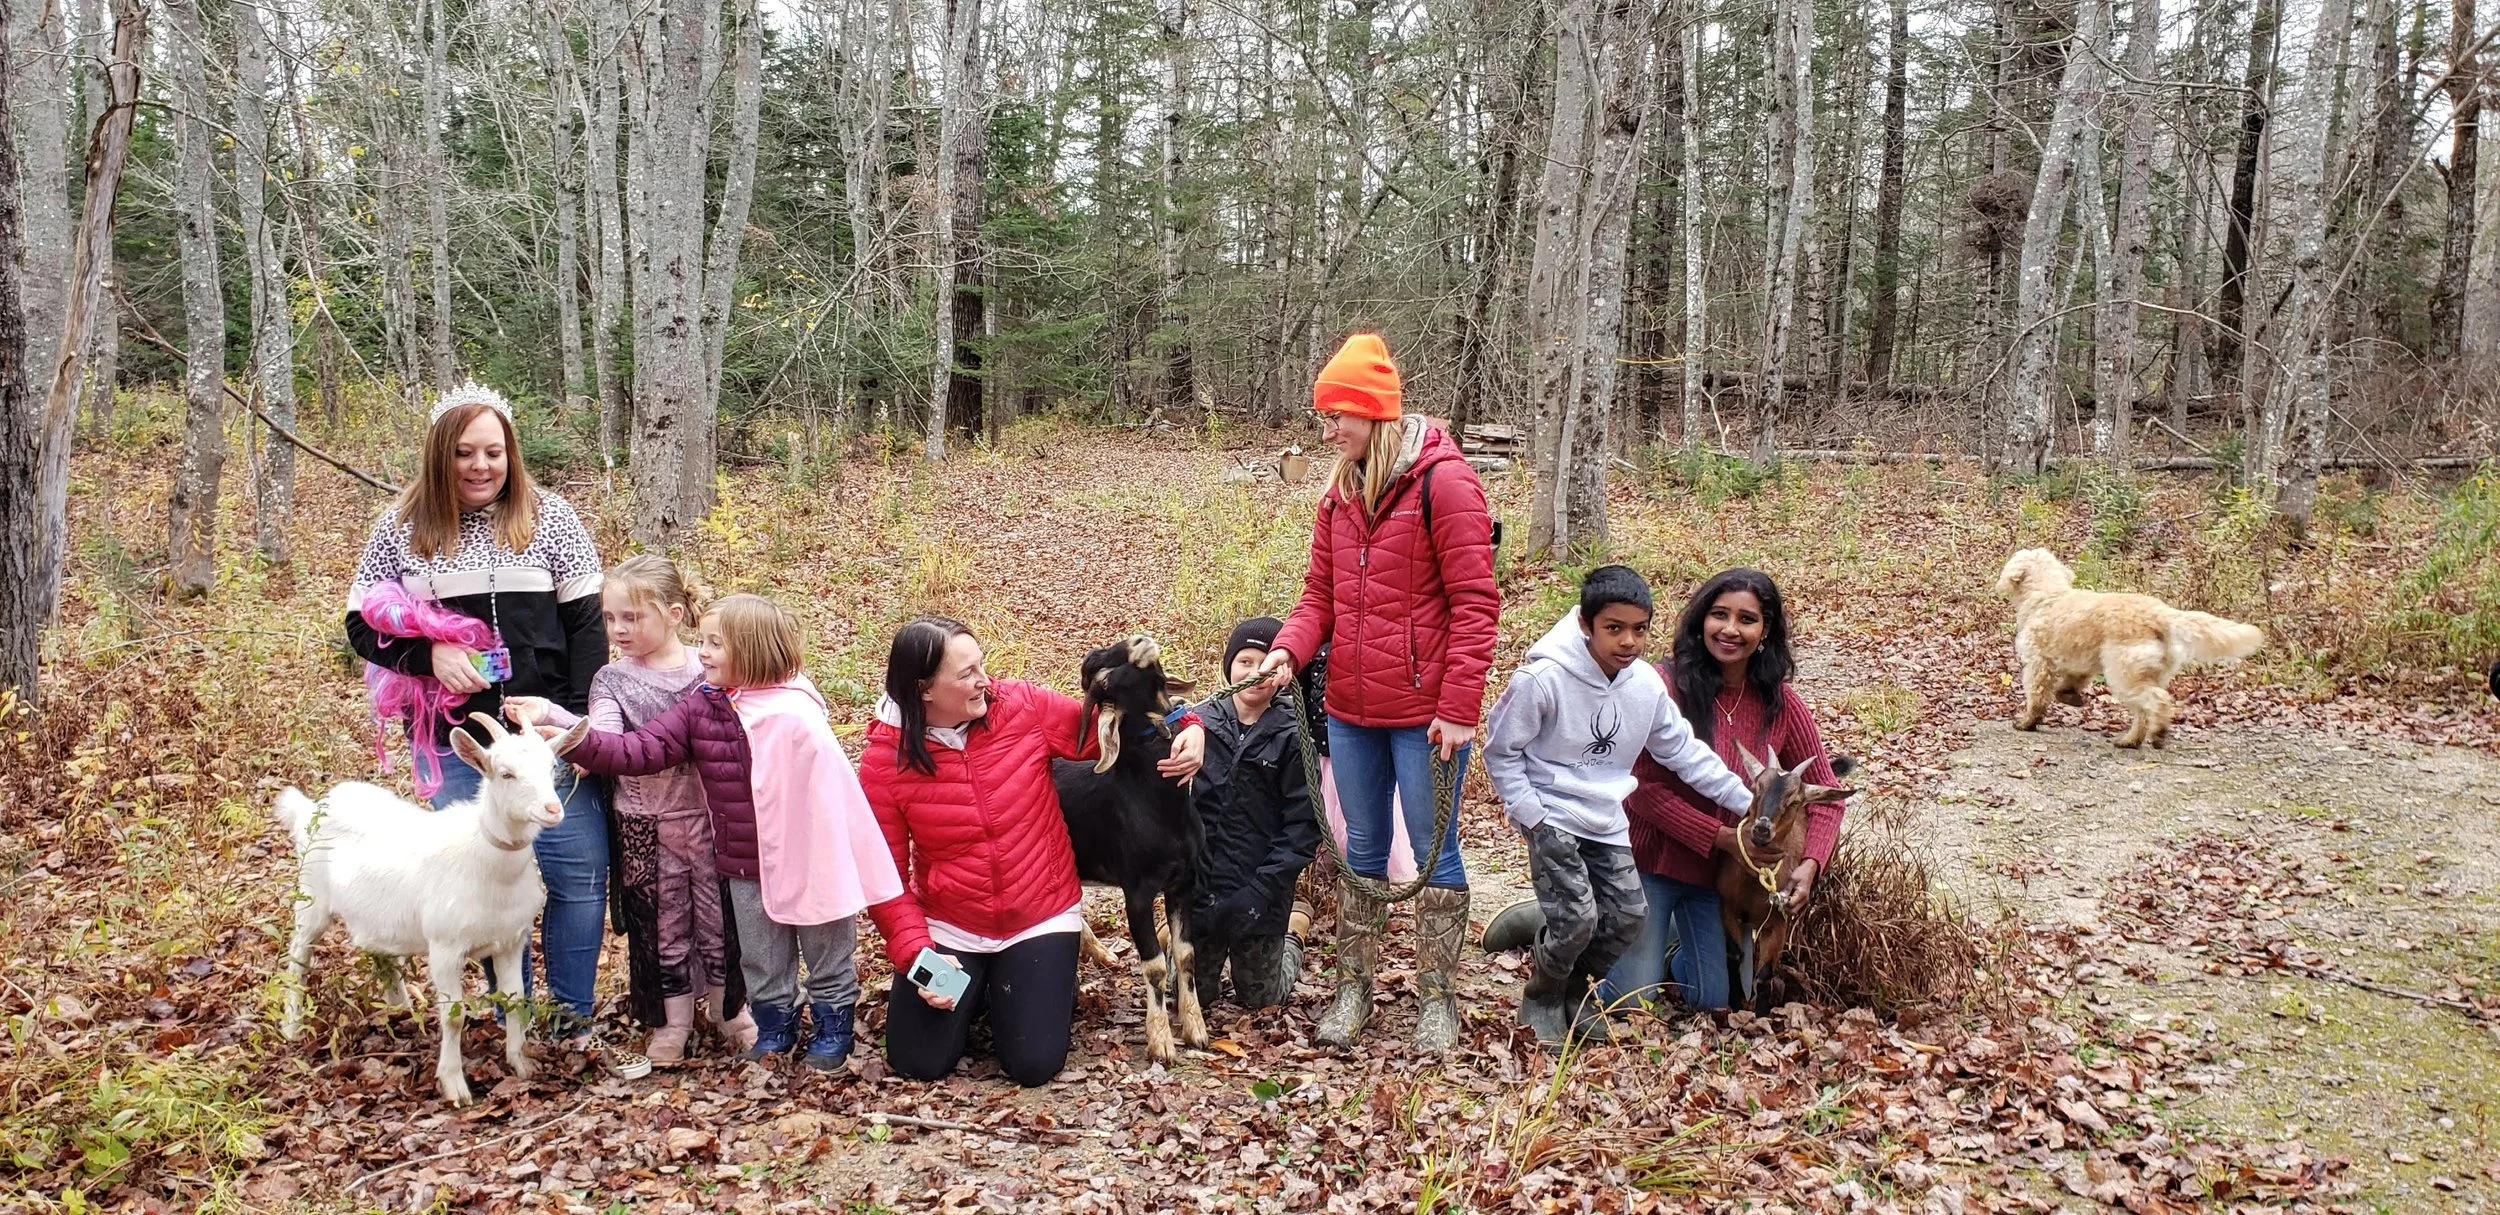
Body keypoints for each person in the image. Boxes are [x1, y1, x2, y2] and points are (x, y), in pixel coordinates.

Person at [344, 381, 632, 1074]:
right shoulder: (402, 528)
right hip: (458, 746)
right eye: (466, 452)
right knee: (484, 881)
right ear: (441, 455)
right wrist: (427, 653)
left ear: (512, 454)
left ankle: (568, 1024)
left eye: (493, 452)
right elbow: (359, 624)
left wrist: (581, 723)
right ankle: (516, 1022)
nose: (480, 465)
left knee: (575, 871)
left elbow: (588, 627)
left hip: (546, 736)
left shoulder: (551, 518)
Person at [531, 594, 904, 1071]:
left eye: (715, 644)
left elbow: (831, 795)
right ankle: (775, 1027)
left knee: (825, 944)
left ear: (750, 650)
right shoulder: (701, 706)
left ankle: (833, 1026)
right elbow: (641, 750)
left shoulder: (798, 710)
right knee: (761, 952)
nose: (702, 653)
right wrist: (577, 741)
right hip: (745, 859)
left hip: (813, 857)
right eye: (703, 641)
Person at [1255, 332, 1500, 1054]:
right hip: (1352, 708)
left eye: (1336, 416)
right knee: (1363, 847)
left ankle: (1437, 998)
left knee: (1434, 852)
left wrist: (1458, 708)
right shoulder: (1340, 491)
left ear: (1373, 413)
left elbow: (1476, 604)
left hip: (1424, 716)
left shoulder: (1444, 483)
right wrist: (1285, 651)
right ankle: (1354, 988)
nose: (1327, 431)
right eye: (1324, 418)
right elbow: (1317, 598)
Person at [862, 618, 1206, 1086]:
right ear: (923, 689)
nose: (984, 680)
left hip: (1039, 913)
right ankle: (983, 982)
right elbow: (883, 876)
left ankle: (1016, 983)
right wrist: (916, 953)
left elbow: (1113, 721)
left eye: (981, 665)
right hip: (954, 924)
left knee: (1033, 1063)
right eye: (965, 674)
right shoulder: (886, 759)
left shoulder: (1019, 706)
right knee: (918, 1060)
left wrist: (1187, 724)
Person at [1480, 567, 1753, 1046]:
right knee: (1577, 918)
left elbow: (1682, 751)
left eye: (1640, 629)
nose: (1628, 641)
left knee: (1628, 915)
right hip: (1551, 813)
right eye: (1614, 628)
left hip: (1607, 817)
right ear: (1586, 624)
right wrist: (1531, 813)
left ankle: (1575, 993)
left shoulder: (1645, 685)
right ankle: (1542, 996)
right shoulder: (1541, 680)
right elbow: (1501, 751)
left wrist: (1745, 802)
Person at [504, 556, 752, 1066]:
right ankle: (672, 1022)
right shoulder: (612, 680)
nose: (618, 630)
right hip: (644, 822)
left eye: (632, 618)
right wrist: (552, 716)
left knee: (720, 915)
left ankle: (731, 1011)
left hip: (710, 818)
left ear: (676, 614)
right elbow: (611, 742)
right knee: (661, 923)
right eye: (611, 618)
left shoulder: (708, 667)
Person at [1600, 569, 1848, 1012]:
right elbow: (1641, 790)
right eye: (1719, 615)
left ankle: (1669, 942)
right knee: (1629, 1002)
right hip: (1652, 863)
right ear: (1701, 621)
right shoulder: (1660, 687)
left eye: (1747, 619)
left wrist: (1810, 865)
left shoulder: (1780, 702)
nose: (1731, 630)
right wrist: (1725, 839)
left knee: (1714, 1002)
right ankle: (1564, 923)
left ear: (1765, 631)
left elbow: (1826, 792)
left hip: (1717, 884)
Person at [1188, 618, 1319, 1009]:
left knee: (1261, 1001)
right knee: (1195, 999)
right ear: (1229, 665)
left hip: (1261, 896)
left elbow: (1302, 828)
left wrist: (1260, 893)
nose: (1255, 673)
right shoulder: (1198, 722)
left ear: (1282, 673)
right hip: (1201, 893)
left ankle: (1293, 935)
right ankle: (1172, 932)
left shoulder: (1294, 735)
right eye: (1245, 661)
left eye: (1267, 665)